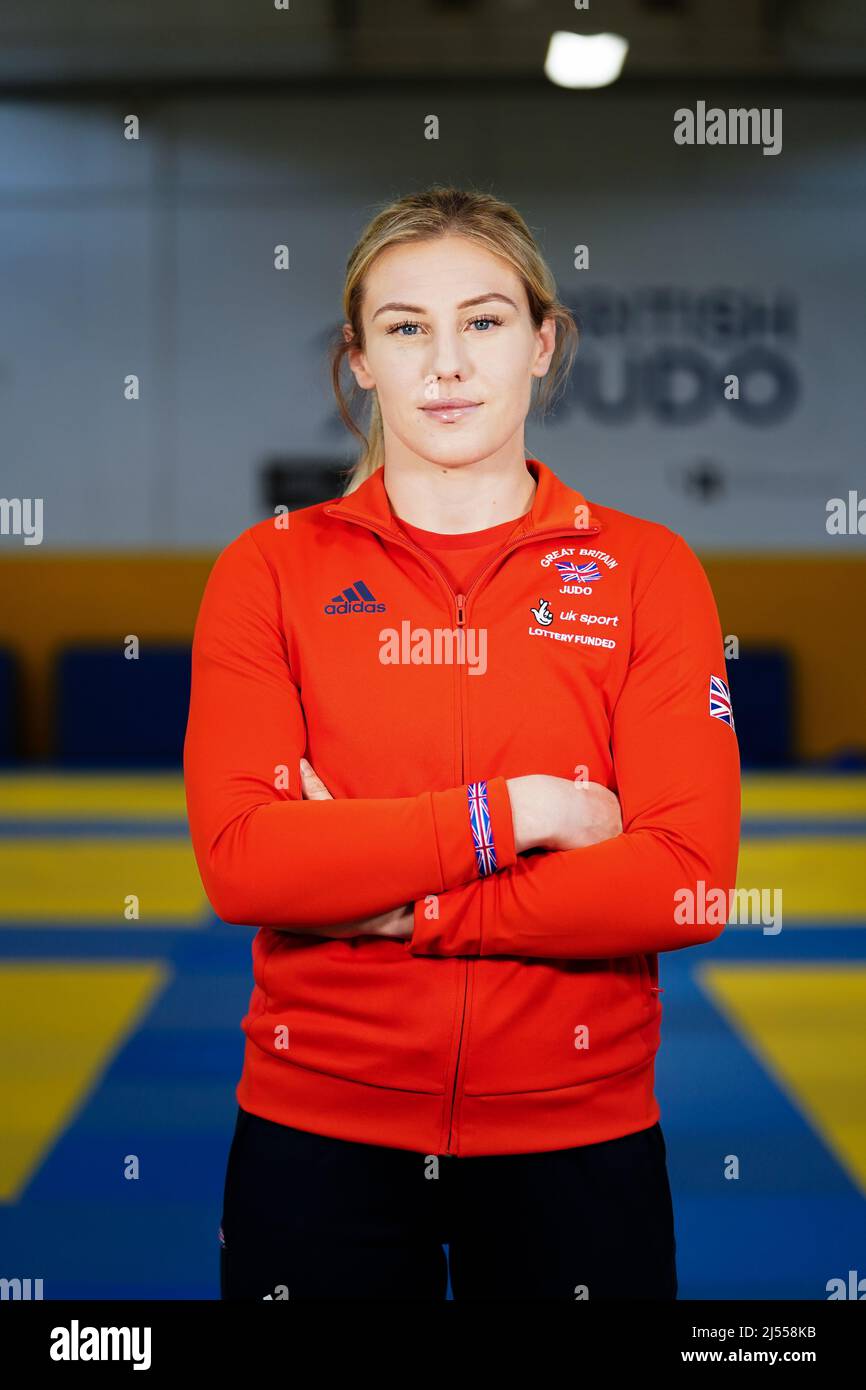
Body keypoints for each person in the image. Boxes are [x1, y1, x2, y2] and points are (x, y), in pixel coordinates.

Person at [183, 185, 741, 1301]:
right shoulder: (270, 570)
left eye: (482, 321)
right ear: (359, 361)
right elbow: (245, 860)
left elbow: (683, 883)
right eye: (405, 328)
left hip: (576, 1138)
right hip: (317, 1129)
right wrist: (519, 813)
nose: (445, 363)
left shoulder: (646, 572)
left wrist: (397, 895)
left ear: (542, 343)